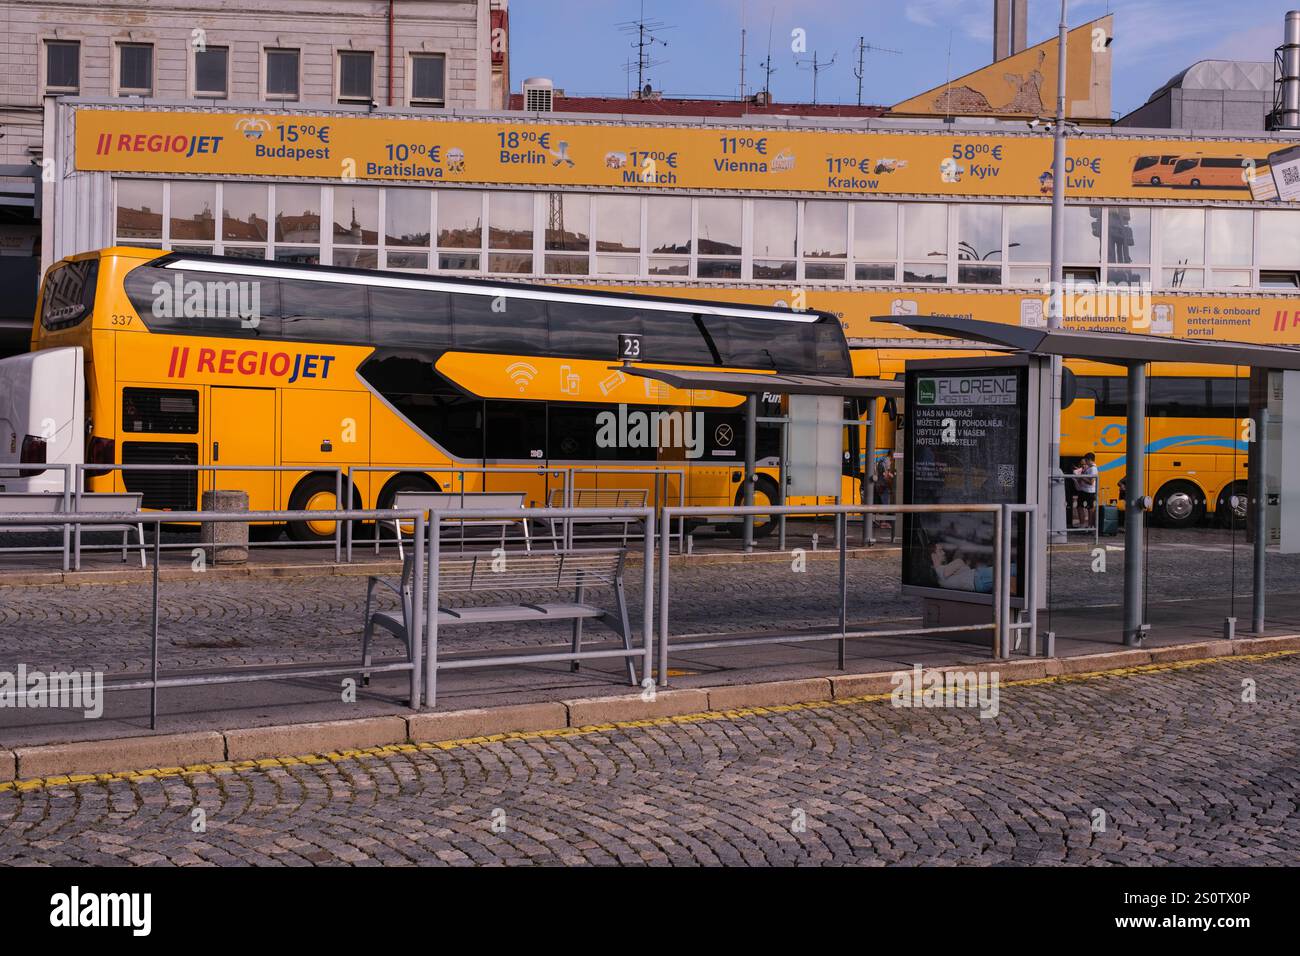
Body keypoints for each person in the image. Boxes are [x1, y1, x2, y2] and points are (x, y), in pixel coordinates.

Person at [1073, 452, 1099, 528]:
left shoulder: (1093, 469)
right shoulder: (1089, 468)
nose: (1086, 462)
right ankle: (1083, 524)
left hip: (1089, 491)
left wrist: (1081, 477)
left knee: (1090, 509)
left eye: (1086, 461)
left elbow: (1091, 481)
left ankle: (1090, 526)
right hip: (1084, 490)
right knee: (1080, 507)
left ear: (1089, 460)